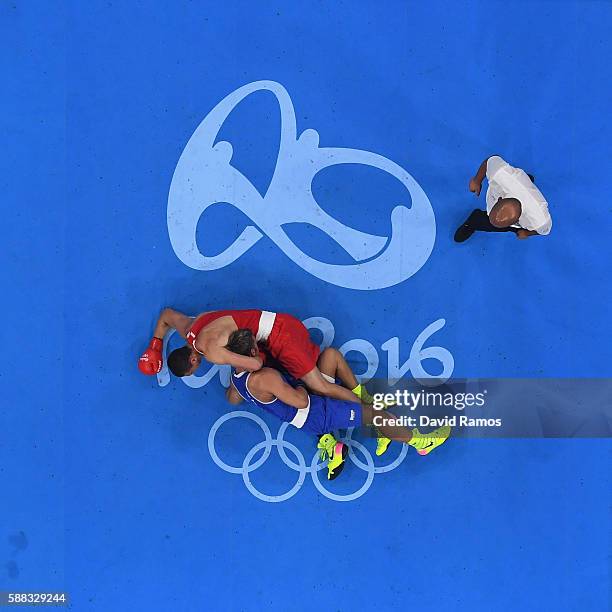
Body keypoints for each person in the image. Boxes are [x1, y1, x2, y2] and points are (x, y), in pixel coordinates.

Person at [225, 333, 452, 478]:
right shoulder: (266, 377)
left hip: (306, 407)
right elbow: (302, 400)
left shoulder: (236, 377)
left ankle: (338, 440)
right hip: (315, 412)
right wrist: (301, 386)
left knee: (330, 357)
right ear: (253, 353)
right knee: (377, 416)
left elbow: (232, 398)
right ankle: (420, 443)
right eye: (257, 346)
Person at [138, 308, 365, 403]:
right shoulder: (190, 326)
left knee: (320, 388)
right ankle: (360, 393)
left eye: (194, 370)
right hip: (279, 322)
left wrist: (237, 377)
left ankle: (371, 414)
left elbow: (255, 363)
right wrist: (154, 346)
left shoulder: (213, 354)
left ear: (194, 360)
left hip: (283, 338)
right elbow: (166, 315)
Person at [454, 155, 552, 242]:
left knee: (482, 221)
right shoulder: (501, 174)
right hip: (513, 182)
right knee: (523, 181)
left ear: (516, 222)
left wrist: (527, 233)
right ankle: (473, 223)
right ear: (499, 199)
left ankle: (474, 221)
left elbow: (543, 231)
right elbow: (490, 161)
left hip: (522, 195)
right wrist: (476, 181)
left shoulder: (540, 220)